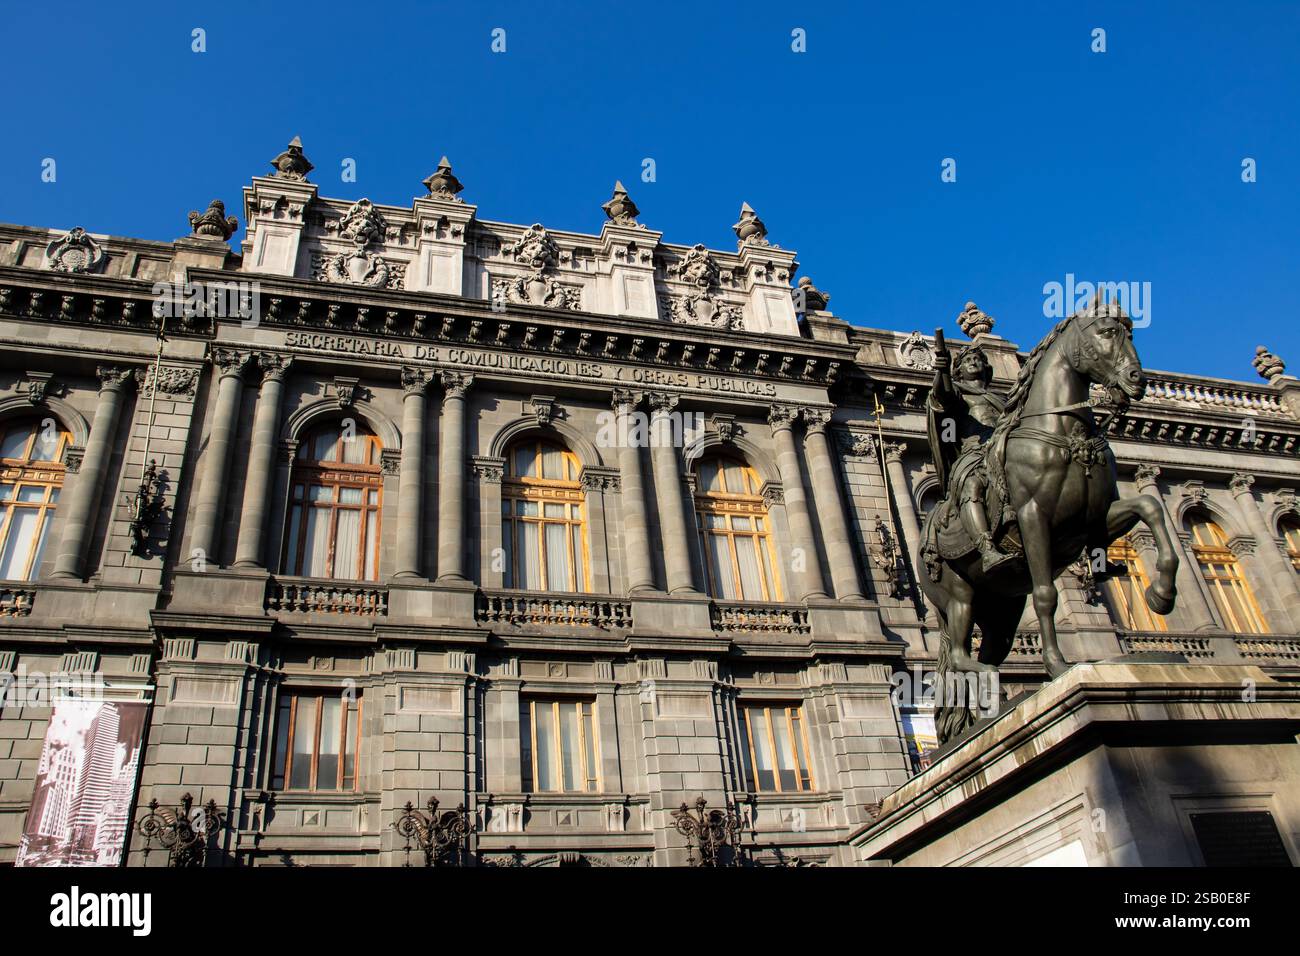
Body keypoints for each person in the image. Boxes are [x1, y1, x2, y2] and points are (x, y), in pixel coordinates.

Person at [926, 344, 1015, 571]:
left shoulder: (1004, 399)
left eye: (977, 359)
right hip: (975, 452)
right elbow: (941, 396)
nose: (973, 362)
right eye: (967, 361)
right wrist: (941, 372)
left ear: (987, 367)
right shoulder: (958, 393)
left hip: (1009, 448)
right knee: (972, 485)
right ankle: (986, 549)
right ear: (958, 371)